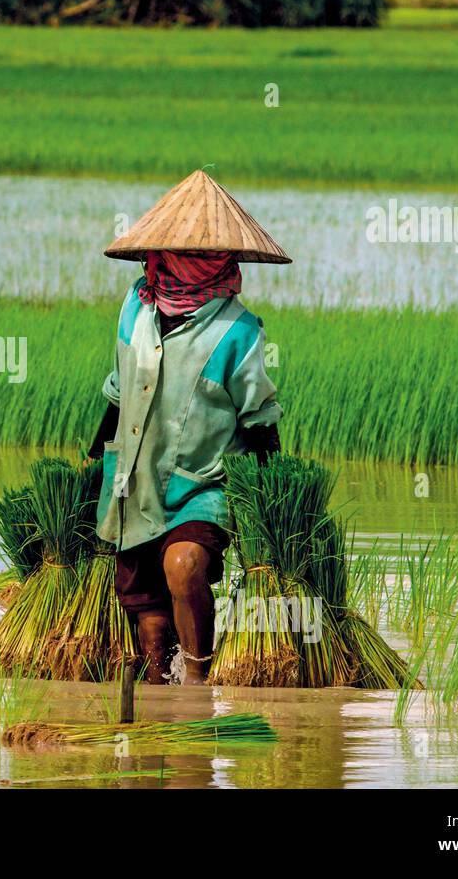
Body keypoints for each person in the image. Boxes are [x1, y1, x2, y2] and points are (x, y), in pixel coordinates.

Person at [89, 170, 289, 685]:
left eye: (195, 254)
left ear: (221, 259)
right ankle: (161, 693)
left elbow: (260, 416)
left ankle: (198, 685)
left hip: (201, 486)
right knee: (150, 621)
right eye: (170, 251)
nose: (176, 261)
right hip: (132, 482)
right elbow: (119, 385)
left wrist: (274, 494)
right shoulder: (136, 306)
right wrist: (95, 452)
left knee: (184, 567)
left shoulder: (239, 330)